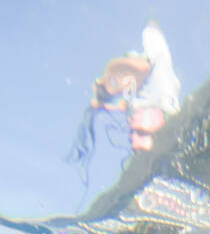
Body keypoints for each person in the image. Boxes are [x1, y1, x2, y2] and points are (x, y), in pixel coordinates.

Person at [68, 23, 180, 182]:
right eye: (135, 133)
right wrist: (104, 106)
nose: (133, 141)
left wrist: (106, 85)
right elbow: (126, 104)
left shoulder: (153, 70)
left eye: (138, 132)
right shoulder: (142, 98)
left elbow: (137, 68)